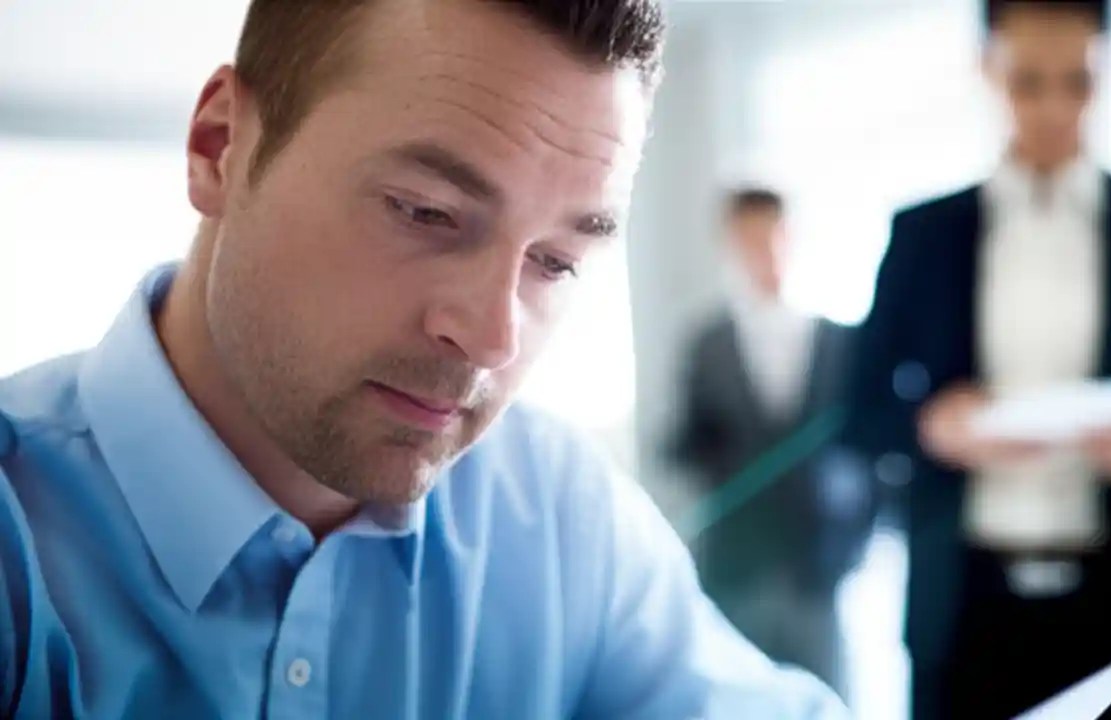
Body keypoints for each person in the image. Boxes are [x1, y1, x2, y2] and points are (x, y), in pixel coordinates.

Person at [0, 1, 851, 718]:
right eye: (424, 212)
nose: (493, 337)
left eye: (555, 263)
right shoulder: (21, 551)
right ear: (221, 146)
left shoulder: (557, 514)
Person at [844, 1, 1111, 718]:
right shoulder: (923, 234)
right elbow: (857, 414)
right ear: (987, 70)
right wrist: (934, 428)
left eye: (1078, 82)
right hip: (970, 616)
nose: (1053, 108)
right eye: (1027, 82)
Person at [671, 189, 877, 699]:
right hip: (737, 566)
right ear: (731, 246)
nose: (766, 252)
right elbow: (681, 442)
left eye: (775, 237)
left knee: (829, 698)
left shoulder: (842, 340)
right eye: (751, 240)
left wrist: (854, 542)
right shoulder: (706, 344)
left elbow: (872, 455)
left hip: (818, 564)